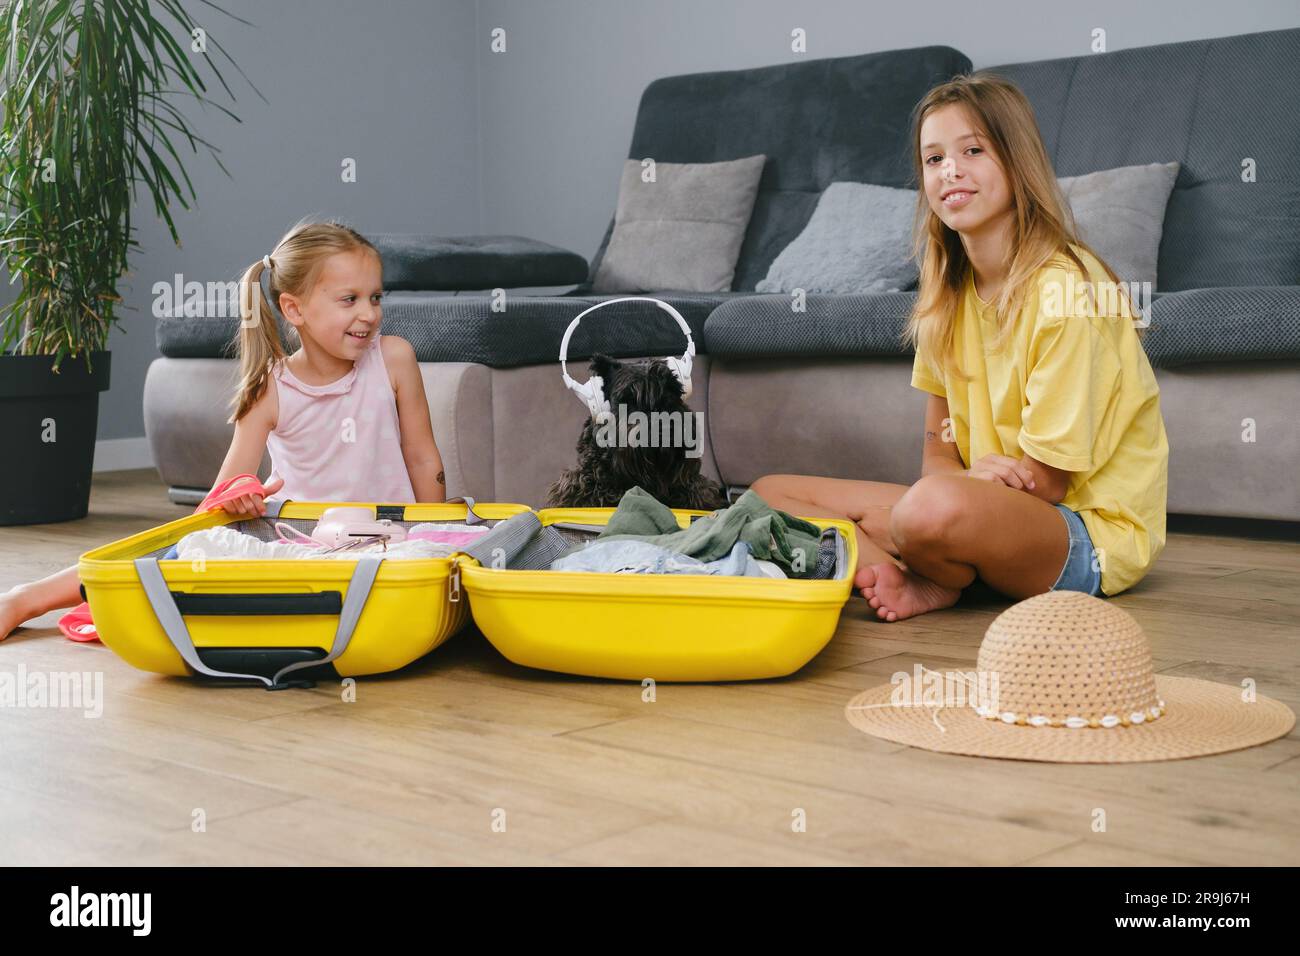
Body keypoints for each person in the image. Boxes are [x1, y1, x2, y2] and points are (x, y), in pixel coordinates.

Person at [752, 73, 1168, 621]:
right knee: (768, 495)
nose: (949, 170)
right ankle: (914, 569)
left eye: (972, 150)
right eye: (934, 158)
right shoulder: (946, 293)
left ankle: (917, 554)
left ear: (1017, 162)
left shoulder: (1067, 293)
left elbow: (1045, 482)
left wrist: (919, 509)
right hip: (975, 503)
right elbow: (938, 455)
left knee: (926, 509)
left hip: (1081, 532)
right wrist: (958, 486)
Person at [0, 218, 447, 640]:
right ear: (294, 308)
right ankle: (27, 599)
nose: (369, 313)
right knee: (176, 549)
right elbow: (220, 499)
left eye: (376, 297)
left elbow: (422, 456)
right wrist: (240, 495)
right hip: (297, 545)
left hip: (390, 542)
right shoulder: (271, 387)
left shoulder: (394, 359)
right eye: (350, 300)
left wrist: (438, 534)